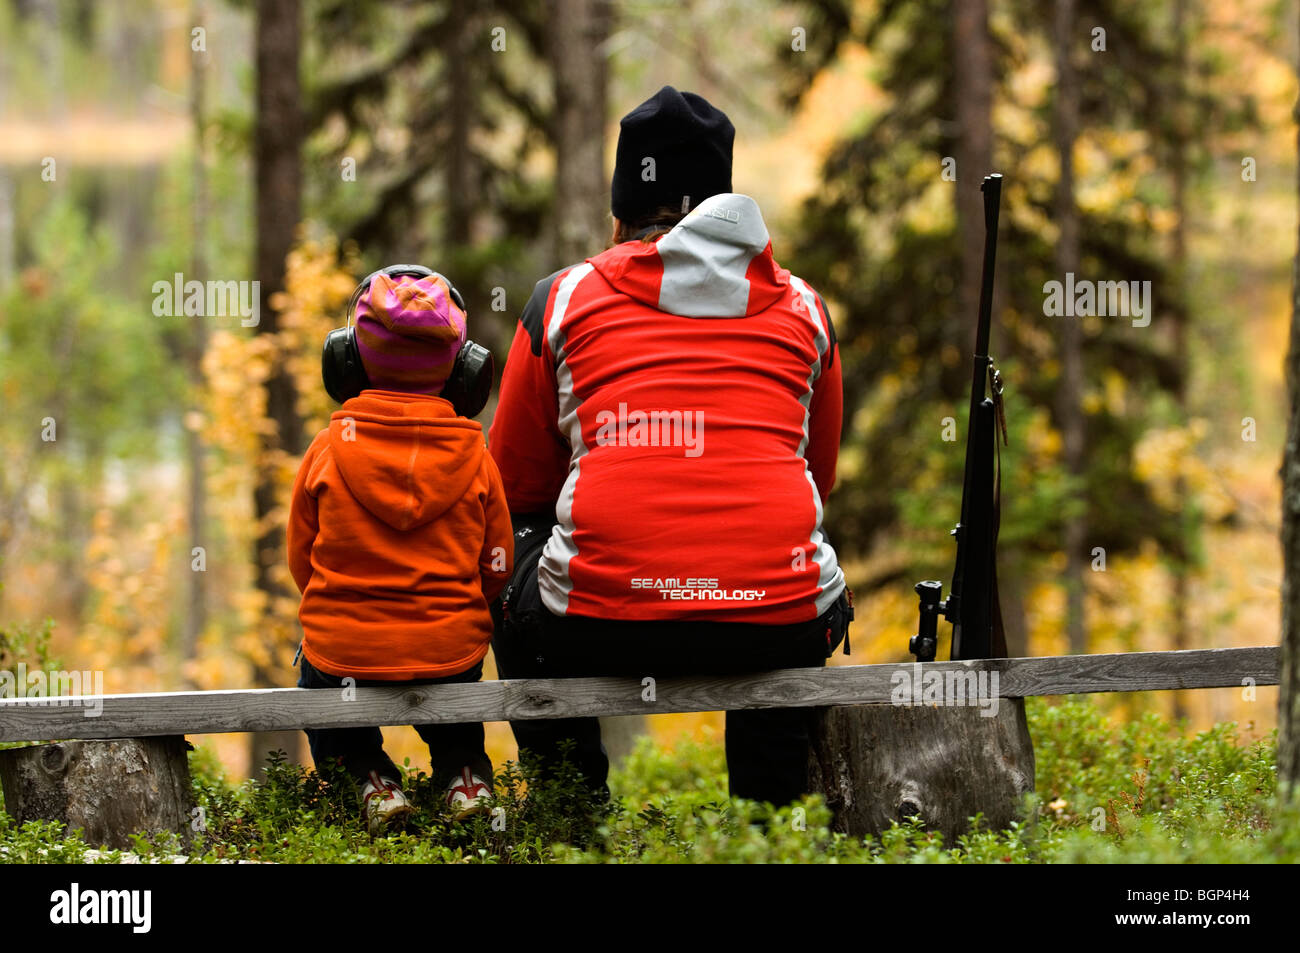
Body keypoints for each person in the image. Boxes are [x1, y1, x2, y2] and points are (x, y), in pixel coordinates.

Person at [488, 86, 851, 807]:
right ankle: (765, 826)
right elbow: (821, 473)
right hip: (773, 621)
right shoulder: (805, 309)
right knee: (792, 538)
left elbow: (513, 485)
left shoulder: (560, 299)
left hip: (595, 625)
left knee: (509, 541)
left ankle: (570, 815)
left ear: (621, 209)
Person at [287, 267, 514, 834]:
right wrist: (459, 608)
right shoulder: (477, 457)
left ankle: (369, 780)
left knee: (322, 701)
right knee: (457, 690)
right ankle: (466, 779)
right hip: (450, 651)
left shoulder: (326, 450)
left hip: (344, 651)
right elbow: (499, 563)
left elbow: (300, 557)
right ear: (465, 372)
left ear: (347, 362)